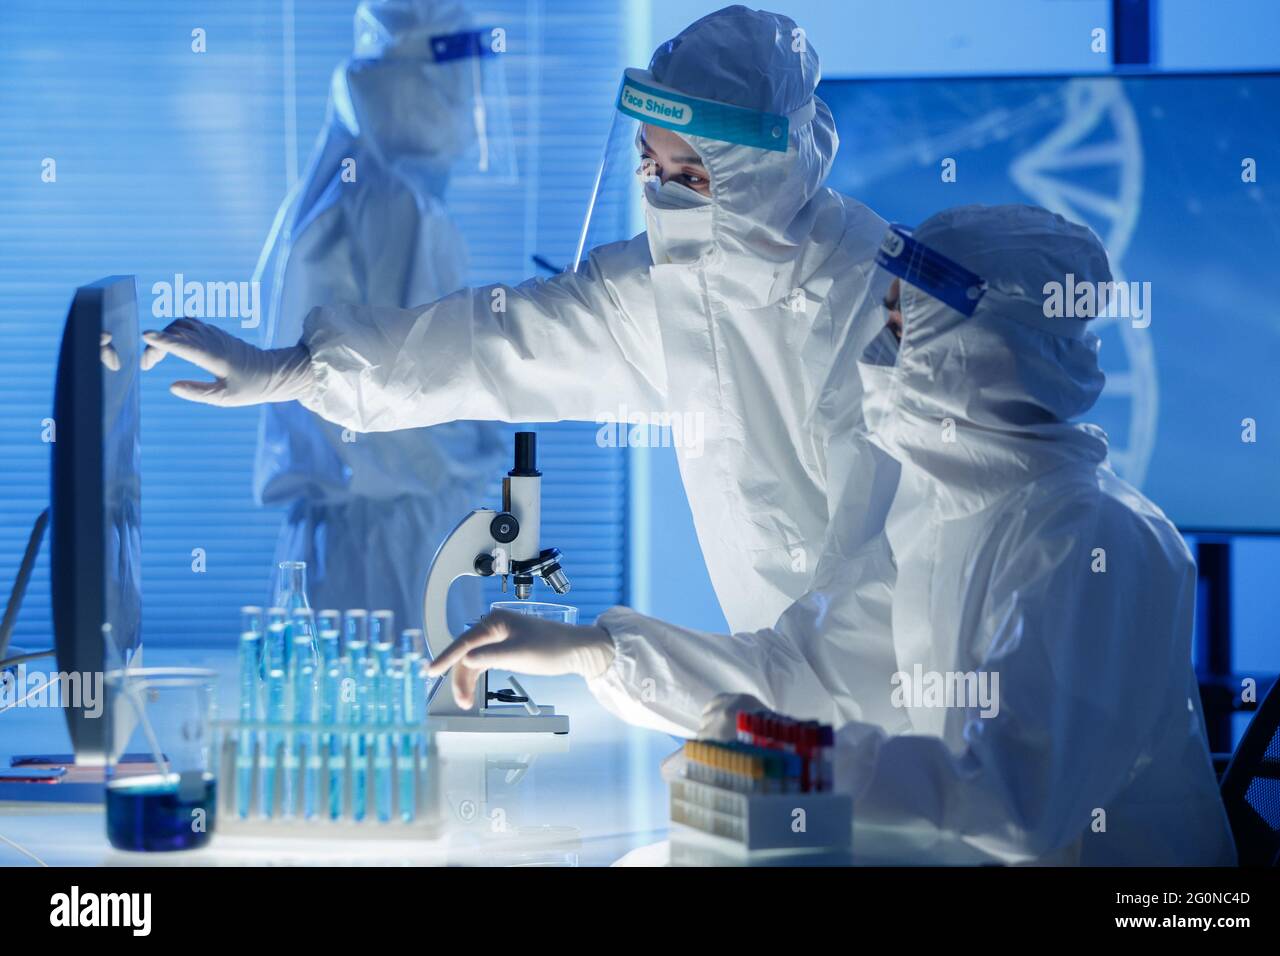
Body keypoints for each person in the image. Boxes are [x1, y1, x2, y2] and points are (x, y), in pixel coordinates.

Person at [427, 205, 1237, 865]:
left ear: (984, 349)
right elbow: (802, 669)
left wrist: (781, 762)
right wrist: (596, 650)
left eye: (900, 326)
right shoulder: (946, 514)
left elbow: (1014, 802)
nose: (874, 356)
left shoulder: (1091, 538)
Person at [140, 5, 893, 636]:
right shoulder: (665, 292)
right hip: (791, 710)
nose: (665, 202)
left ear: (768, 170)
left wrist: (662, 676)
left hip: (889, 719)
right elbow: (491, 345)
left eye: (692, 177)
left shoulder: (871, 313)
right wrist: (299, 369)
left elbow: (864, 619)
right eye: (651, 169)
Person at [241, 0, 509, 633]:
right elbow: (428, 386)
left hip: (352, 538)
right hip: (393, 545)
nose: (475, 95)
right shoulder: (393, 205)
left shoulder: (345, 177)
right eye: (466, 66)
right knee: (400, 724)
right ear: (428, 70)